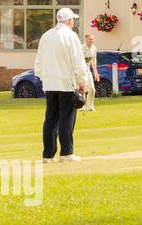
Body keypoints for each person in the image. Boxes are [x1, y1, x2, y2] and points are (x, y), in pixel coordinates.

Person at [34, 8, 89, 162]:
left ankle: (48, 155)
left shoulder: (46, 35)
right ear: (70, 21)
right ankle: (66, 153)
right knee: (66, 118)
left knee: (50, 119)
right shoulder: (71, 36)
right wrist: (82, 82)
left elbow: (39, 60)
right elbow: (78, 62)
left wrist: (42, 76)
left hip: (50, 83)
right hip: (66, 83)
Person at [81, 32, 100, 112]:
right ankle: (82, 106)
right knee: (82, 89)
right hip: (80, 71)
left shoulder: (94, 48)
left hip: (87, 71)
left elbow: (93, 62)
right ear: (86, 39)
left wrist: (96, 73)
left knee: (92, 89)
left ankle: (90, 106)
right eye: (90, 39)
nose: (92, 41)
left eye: (92, 39)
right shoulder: (81, 48)